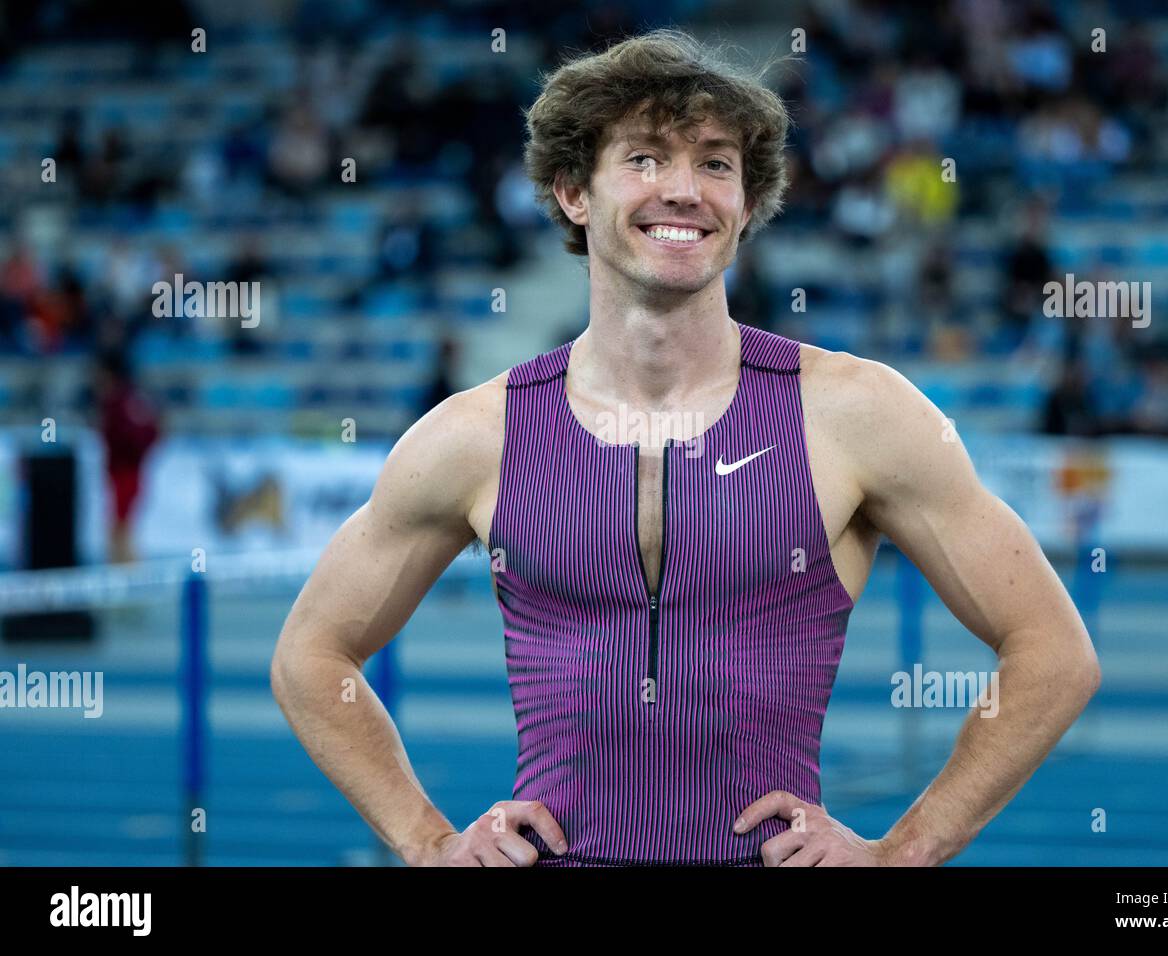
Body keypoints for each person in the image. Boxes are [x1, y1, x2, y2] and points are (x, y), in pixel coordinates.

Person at [272, 29, 1100, 867]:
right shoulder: (476, 435)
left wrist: (905, 851)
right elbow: (311, 654)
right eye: (643, 159)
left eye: (714, 163)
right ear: (572, 192)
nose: (683, 191)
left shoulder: (856, 413)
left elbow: (1053, 653)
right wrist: (426, 842)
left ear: (747, 202)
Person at [94, 349, 160, 563]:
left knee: (121, 529)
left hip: (126, 473)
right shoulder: (125, 399)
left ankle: (128, 577)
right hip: (123, 473)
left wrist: (133, 457)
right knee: (119, 527)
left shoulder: (120, 401)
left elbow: (148, 432)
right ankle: (123, 575)